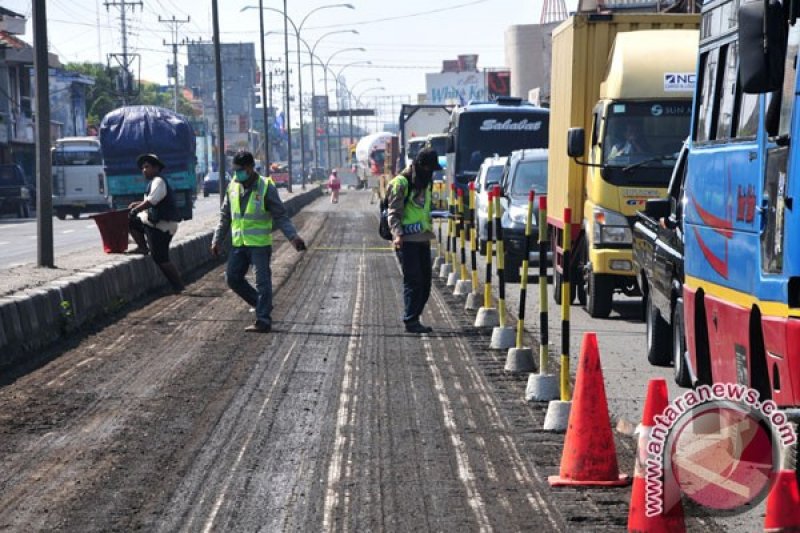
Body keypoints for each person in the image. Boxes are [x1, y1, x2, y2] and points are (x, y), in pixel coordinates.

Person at [211, 150, 306, 333]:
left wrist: (293, 237)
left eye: (240, 169)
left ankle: (263, 320)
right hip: (239, 244)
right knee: (232, 278)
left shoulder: (265, 187)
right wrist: (217, 240)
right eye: (235, 169)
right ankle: (262, 304)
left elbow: (280, 216)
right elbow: (225, 217)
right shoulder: (233, 186)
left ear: (250, 167)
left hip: (259, 245)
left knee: (263, 281)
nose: (237, 173)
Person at [387, 147, 441, 334]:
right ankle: (410, 320)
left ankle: (415, 316)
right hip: (406, 241)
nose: (431, 174)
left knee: (426, 283)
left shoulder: (426, 183)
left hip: (423, 239)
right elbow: (393, 212)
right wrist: (397, 234)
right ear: (419, 166)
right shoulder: (400, 183)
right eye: (428, 169)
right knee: (414, 280)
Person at [128, 153, 185, 294]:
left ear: (156, 168)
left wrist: (136, 209)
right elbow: (150, 201)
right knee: (132, 221)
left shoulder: (158, 181)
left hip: (162, 226)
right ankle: (142, 247)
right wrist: (137, 205)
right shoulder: (153, 183)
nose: (144, 170)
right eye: (142, 168)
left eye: (147, 167)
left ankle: (178, 286)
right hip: (153, 223)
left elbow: (152, 201)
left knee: (161, 258)